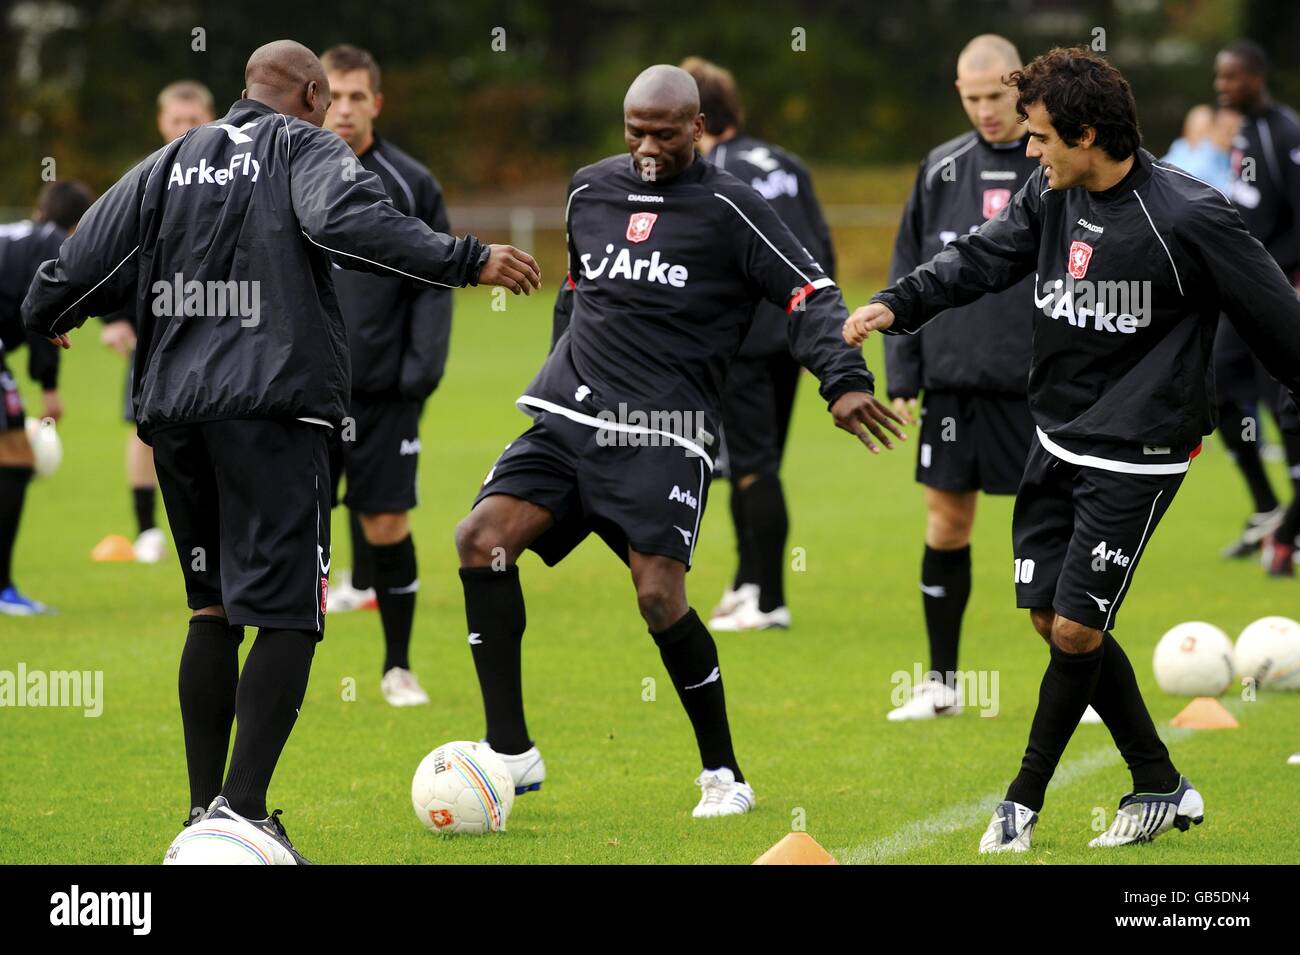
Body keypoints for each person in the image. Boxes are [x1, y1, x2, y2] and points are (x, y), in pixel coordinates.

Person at [23, 39, 540, 864]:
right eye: (323, 96)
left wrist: (50, 308)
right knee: (292, 614)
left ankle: (203, 815)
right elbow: (346, 221)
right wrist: (468, 257)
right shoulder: (305, 144)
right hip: (273, 410)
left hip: (178, 418)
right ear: (308, 91)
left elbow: (85, 255)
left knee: (213, 609)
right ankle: (248, 812)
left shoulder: (170, 159)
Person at [845, 47, 1300, 852]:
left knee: (1079, 633)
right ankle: (1160, 780)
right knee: (1051, 618)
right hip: (1054, 436)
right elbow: (983, 256)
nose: (1028, 150)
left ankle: (1020, 802)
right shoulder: (1049, 192)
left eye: (1042, 136)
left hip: (1140, 449)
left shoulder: (1190, 216)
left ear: (1089, 134)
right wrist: (898, 304)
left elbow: (1281, 324)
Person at [459, 64, 901, 818]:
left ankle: (723, 773)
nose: (648, 146)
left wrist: (843, 379)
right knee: (481, 539)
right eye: (636, 130)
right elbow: (578, 290)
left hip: (666, 430)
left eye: (665, 132)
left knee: (659, 597)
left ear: (699, 128)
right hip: (569, 417)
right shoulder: (589, 189)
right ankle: (510, 749)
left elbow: (809, 293)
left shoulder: (733, 207)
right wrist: (556, 372)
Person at [881, 35, 1039, 720]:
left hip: (1039, 387)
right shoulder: (942, 166)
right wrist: (902, 368)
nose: (985, 112)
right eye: (972, 99)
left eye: (996, 98)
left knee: (1055, 528)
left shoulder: (1054, 163)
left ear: (1020, 88)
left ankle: (1087, 679)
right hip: (952, 383)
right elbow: (908, 267)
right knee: (947, 525)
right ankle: (942, 682)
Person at [677, 56, 835, 633]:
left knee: (750, 467)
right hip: (794, 334)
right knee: (757, 465)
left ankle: (768, 600)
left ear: (694, 116)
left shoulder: (710, 170)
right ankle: (747, 582)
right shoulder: (788, 163)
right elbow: (821, 250)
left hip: (740, 341)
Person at [320, 44, 452, 705]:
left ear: (376, 102)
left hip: (382, 397)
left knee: (386, 527)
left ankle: (397, 666)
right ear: (315, 97)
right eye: (332, 94)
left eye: (355, 96)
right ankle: (284, 669)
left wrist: (419, 371)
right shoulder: (285, 172)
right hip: (302, 395)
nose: (343, 108)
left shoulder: (409, 182)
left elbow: (436, 276)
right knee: (293, 534)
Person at [99, 81, 216, 565]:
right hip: (156, 330)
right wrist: (114, 318)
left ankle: (222, 528)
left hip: (222, 325)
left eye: (194, 120)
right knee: (144, 427)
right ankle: (147, 530)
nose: (185, 129)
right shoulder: (144, 180)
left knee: (224, 426)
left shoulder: (235, 178)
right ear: (160, 122)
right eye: (176, 120)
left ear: (211, 119)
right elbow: (109, 252)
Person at [1212, 39, 1300, 570]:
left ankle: (1293, 523)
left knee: (1282, 405)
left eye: (1232, 78)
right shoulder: (1243, 133)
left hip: (1277, 294)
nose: (1222, 87)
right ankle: (1267, 508)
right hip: (1238, 292)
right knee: (1217, 386)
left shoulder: (1285, 134)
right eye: (1219, 79)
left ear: (1256, 77)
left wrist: (1274, 275)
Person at [0, 181, 94, 614]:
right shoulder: (55, 245)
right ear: (80, 222)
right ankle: (2, 591)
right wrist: (49, 389)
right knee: (15, 458)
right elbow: (42, 309)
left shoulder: (20, 233)